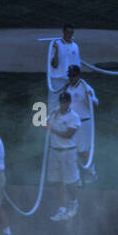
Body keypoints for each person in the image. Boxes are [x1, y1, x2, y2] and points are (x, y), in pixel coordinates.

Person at [47, 92, 82, 221]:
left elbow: (68, 134)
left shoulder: (74, 117)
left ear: (69, 102)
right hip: (54, 150)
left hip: (68, 152)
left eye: (64, 102)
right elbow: (42, 124)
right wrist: (43, 118)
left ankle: (74, 202)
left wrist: (52, 130)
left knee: (70, 182)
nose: (62, 105)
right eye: (60, 102)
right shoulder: (53, 112)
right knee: (57, 181)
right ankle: (61, 208)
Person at [64, 65, 98, 181]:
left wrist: (90, 98)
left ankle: (92, 172)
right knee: (72, 150)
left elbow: (95, 104)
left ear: (78, 75)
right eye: (69, 76)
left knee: (84, 151)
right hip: (72, 123)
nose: (71, 78)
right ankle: (76, 176)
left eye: (73, 76)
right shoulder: (68, 88)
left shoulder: (86, 87)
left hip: (84, 123)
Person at [48, 24, 79, 94]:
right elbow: (54, 65)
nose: (70, 35)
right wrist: (57, 50)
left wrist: (76, 80)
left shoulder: (75, 46)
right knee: (54, 102)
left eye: (71, 32)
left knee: (68, 102)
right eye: (68, 32)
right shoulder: (55, 45)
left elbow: (77, 65)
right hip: (57, 78)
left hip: (69, 79)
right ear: (63, 32)